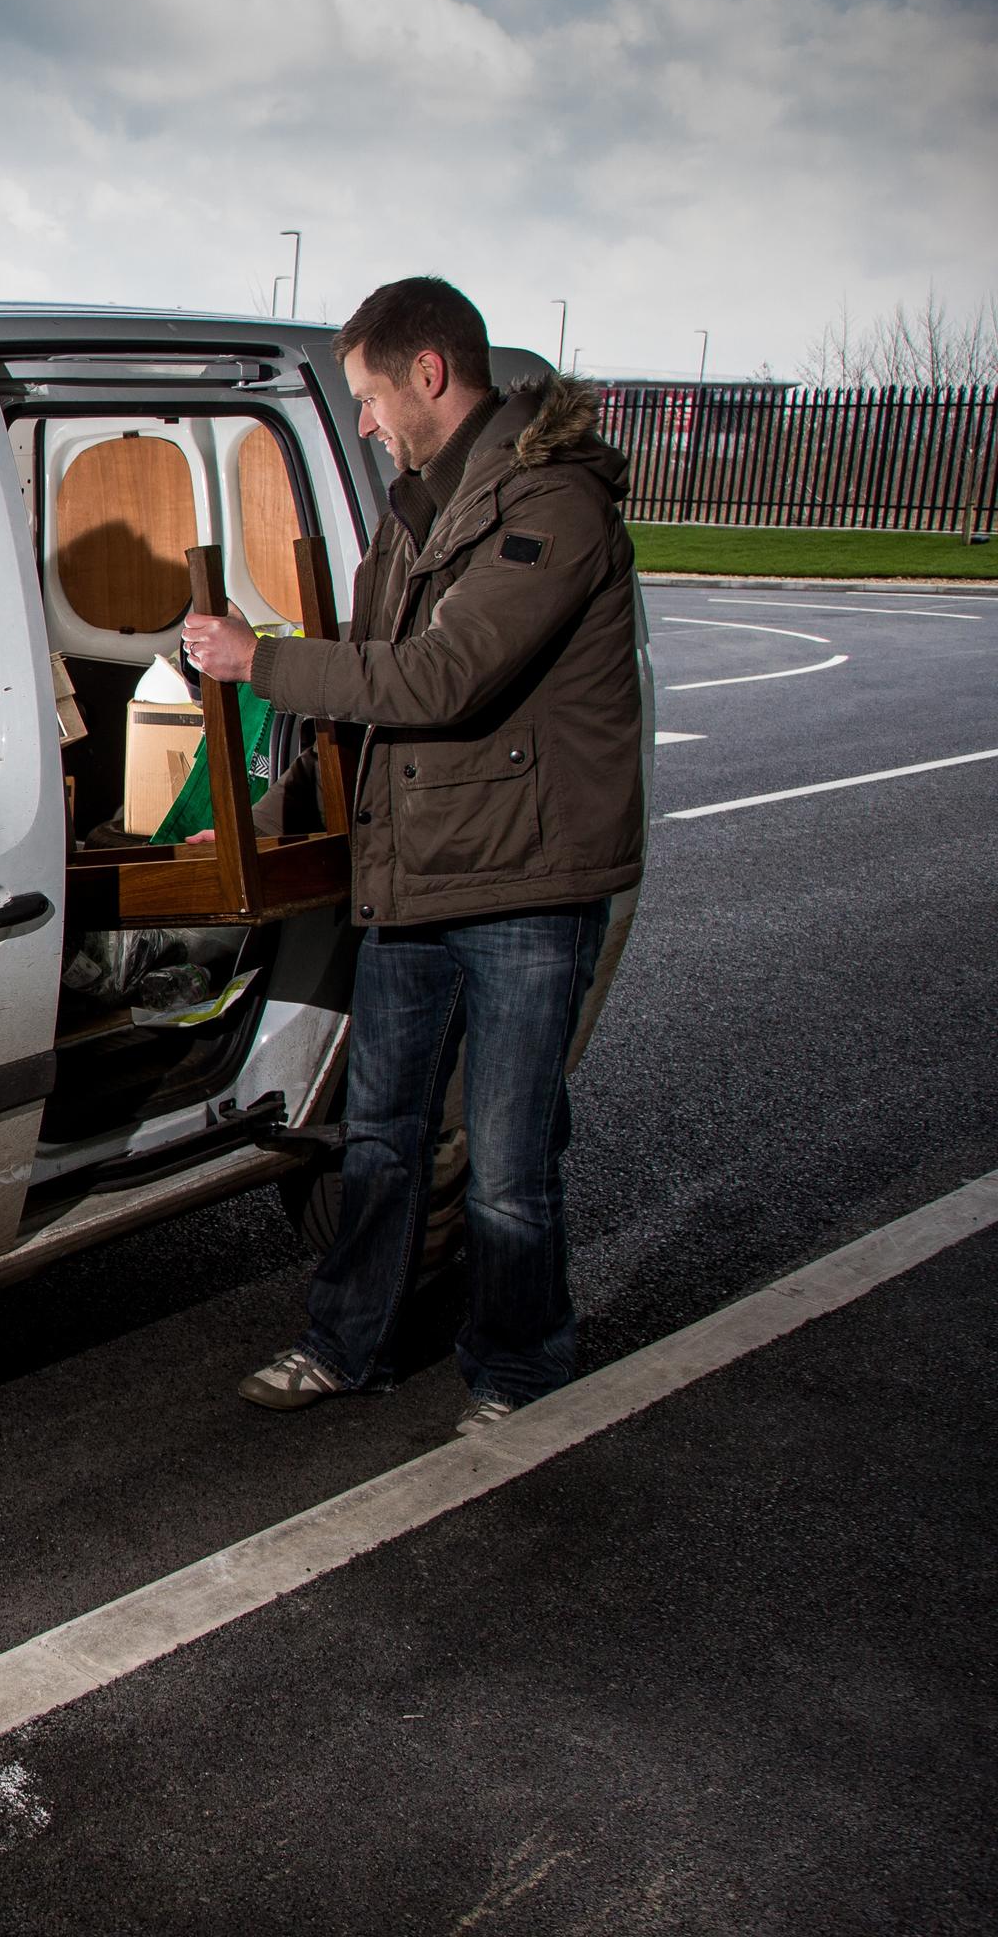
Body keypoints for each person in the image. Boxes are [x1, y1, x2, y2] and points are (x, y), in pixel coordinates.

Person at [179, 275, 645, 1436]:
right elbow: (367, 716)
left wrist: (260, 661)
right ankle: (350, 1344)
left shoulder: (557, 506)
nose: (368, 425)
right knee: (378, 1137)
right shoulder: (413, 509)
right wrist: (273, 810)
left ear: (428, 372)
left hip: (529, 886)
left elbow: (439, 680)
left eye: (371, 400)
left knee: (507, 1154)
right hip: (418, 872)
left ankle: (519, 1366)